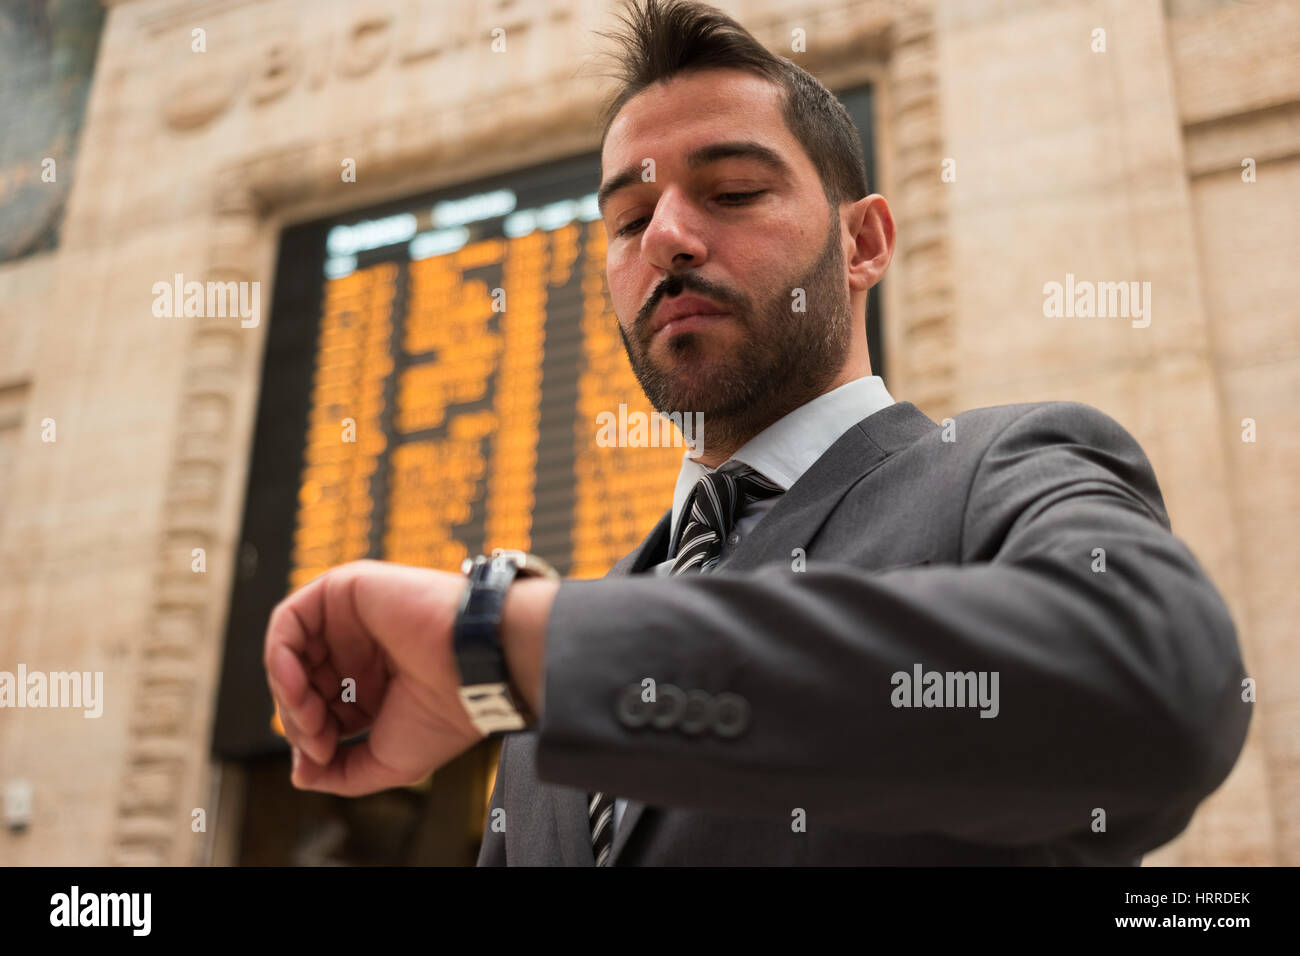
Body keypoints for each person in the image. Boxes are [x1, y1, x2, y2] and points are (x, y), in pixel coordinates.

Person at [263, 0, 1250, 866]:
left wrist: (507, 644)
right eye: (628, 217)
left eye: (731, 192)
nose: (666, 238)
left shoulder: (1001, 471)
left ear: (864, 242)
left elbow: (1157, 684)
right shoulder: (544, 699)